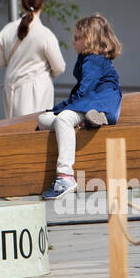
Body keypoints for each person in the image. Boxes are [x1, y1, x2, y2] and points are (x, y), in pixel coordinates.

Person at [38, 14, 122, 200]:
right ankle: (90, 121)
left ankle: (65, 176)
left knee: (63, 118)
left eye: (77, 38)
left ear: (89, 40)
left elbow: (83, 93)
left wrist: (59, 109)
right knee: (45, 119)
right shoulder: (89, 59)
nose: (73, 41)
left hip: (100, 103)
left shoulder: (92, 60)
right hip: (99, 106)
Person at [0, 0, 66, 118]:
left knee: (12, 132)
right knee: (34, 133)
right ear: (42, 5)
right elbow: (59, 67)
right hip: (37, 90)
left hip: (11, 90)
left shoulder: (7, 30)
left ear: (22, 5)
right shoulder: (45, 34)